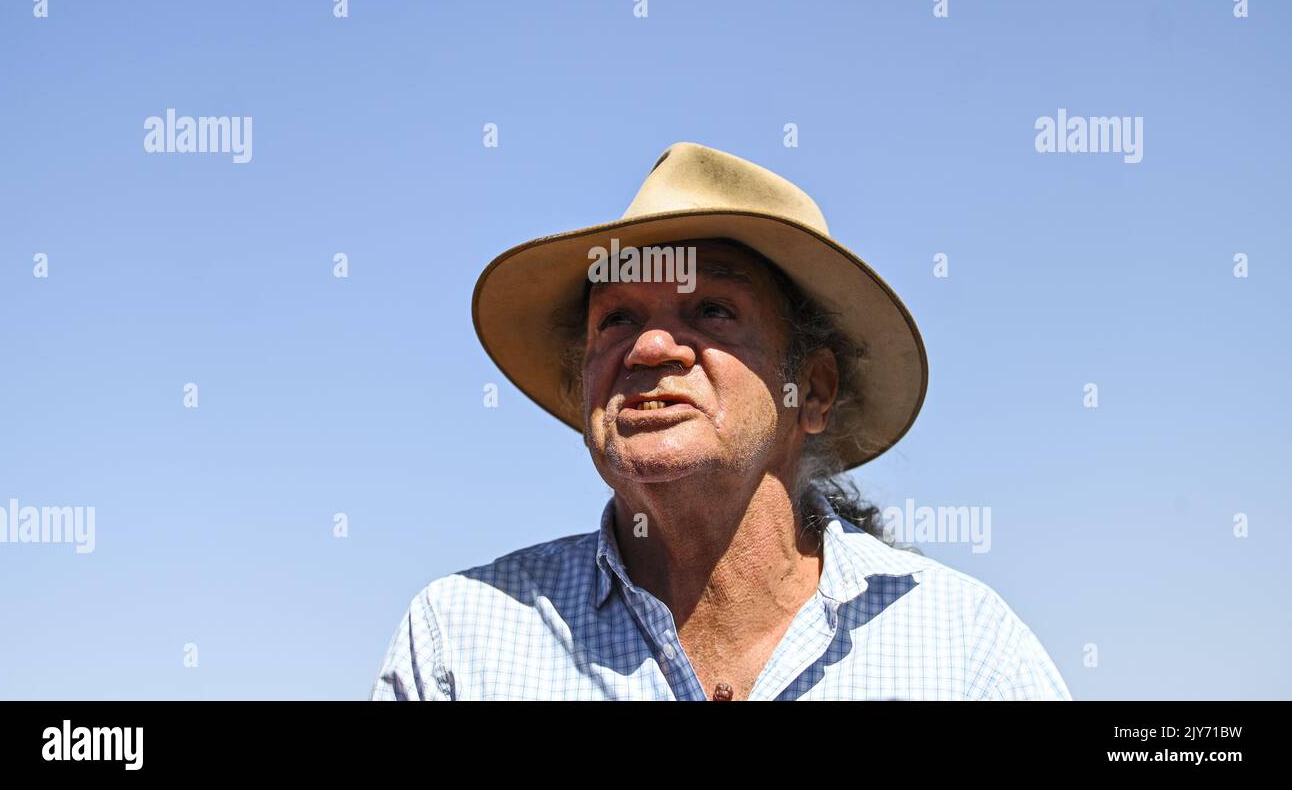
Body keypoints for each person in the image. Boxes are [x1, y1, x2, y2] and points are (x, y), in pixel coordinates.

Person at [372, 142, 1071, 700]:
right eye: (616, 318)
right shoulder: (461, 644)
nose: (648, 348)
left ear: (814, 391)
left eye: (712, 310)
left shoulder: (962, 651)